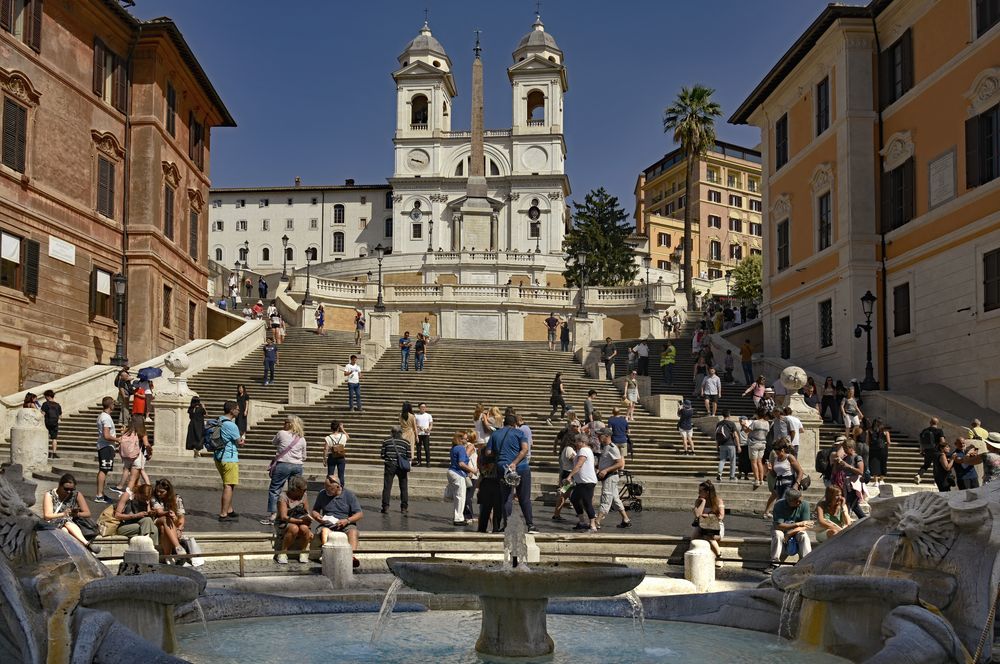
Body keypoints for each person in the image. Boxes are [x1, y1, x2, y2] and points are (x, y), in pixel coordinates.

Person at [491, 413, 536, 533]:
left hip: (503, 467)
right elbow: (525, 449)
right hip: (521, 467)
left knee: (506, 497)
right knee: (524, 498)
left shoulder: (495, 434)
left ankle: (507, 525)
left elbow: (488, 452)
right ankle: (530, 524)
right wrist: (515, 462)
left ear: (504, 423)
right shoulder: (519, 433)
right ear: (515, 424)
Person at [261, 415, 308, 526]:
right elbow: (304, 456)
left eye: (285, 422)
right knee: (296, 490)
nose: (283, 424)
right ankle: (295, 514)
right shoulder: (302, 438)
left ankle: (273, 515)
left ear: (290, 424)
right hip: (297, 466)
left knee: (275, 489)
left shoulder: (281, 433)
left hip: (283, 464)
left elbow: (274, 442)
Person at [310, 475, 363, 567]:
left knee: (353, 532)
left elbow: (359, 514)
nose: (327, 491)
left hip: (345, 523)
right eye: (326, 488)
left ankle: (351, 556)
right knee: (324, 531)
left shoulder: (349, 495)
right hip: (327, 524)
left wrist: (347, 520)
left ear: (338, 487)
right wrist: (317, 516)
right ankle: (327, 554)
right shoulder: (322, 494)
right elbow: (315, 510)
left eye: (330, 489)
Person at [42, 473, 100, 553]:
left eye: (72, 489)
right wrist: (63, 514)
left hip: (68, 524)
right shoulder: (50, 495)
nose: (69, 492)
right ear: (60, 485)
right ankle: (86, 544)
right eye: (66, 489)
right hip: (53, 522)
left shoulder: (76, 494)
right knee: (65, 521)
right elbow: (47, 516)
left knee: (65, 530)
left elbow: (87, 513)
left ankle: (74, 552)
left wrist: (76, 514)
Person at [767, 488, 813, 574]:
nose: (800, 503)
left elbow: (806, 525)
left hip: (796, 530)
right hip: (781, 529)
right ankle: (774, 563)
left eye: (801, 500)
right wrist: (797, 524)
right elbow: (778, 525)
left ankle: (806, 562)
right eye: (797, 501)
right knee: (777, 535)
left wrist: (790, 533)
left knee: (804, 536)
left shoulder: (805, 504)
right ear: (789, 501)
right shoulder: (779, 505)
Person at [595, 428, 631, 529]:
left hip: (610, 477)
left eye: (600, 435)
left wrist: (606, 470)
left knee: (606, 498)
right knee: (615, 499)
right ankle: (626, 519)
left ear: (607, 436)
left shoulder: (612, 448)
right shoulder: (605, 447)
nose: (598, 437)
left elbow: (619, 463)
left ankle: (597, 521)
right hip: (609, 477)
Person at [215, 400, 244, 522]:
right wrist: (242, 440)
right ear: (232, 410)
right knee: (229, 485)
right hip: (229, 458)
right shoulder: (232, 425)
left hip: (219, 456)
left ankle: (229, 509)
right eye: (237, 409)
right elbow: (239, 442)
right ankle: (223, 514)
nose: (239, 411)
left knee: (228, 484)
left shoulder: (219, 420)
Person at [274, 475, 313, 564]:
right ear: (295, 489)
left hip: (300, 521)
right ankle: (283, 552)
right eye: (303, 489)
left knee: (305, 529)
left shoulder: (304, 496)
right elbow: (284, 517)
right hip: (283, 522)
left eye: (306, 489)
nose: (305, 491)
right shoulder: (283, 497)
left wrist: (307, 522)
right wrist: (299, 521)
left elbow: (307, 512)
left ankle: (303, 552)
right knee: (294, 528)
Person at [763, 439, 804, 518]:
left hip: (788, 483)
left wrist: (797, 483)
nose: (777, 454)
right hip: (779, 484)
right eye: (776, 453)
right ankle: (782, 520)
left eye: (778, 452)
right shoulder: (776, 459)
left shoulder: (789, 457)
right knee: (780, 502)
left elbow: (800, 471)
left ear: (782, 450)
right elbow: (775, 475)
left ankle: (782, 520)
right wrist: (770, 470)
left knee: (783, 501)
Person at [567, 436, 598, 532]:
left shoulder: (583, 450)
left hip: (586, 481)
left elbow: (579, 464)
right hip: (582, 481)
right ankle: (582, 522)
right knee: (574, 499)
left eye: (577, 441)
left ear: (582, 442)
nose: (575, 443)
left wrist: (570, 476)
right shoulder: (586, 450)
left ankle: (593, 525)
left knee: (586, 502)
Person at [93, 397, 121, 504]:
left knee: (103, 470)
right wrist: (118, 439)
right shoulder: (106, 418)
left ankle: (101, 494)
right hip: (106, 446)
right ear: (110, 405)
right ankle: (99, 495)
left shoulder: (102, 416)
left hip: (104, 446)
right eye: (113, 404)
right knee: (103, 470)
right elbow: (106, 435)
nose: (114, 406)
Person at [113, 483, 158, 548]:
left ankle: (152, 549)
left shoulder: (146, 500)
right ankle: (146, 548)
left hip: (140, 525)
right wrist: (135, 515)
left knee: (154, 528)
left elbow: (147, 514)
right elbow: (117, 515)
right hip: (124, 526)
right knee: (149, 523)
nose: (145, 500)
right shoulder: (127, 496)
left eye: (147, 499)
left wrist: (151, 513)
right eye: (143, 498)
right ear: (138, 493)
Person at [151, 478, 186, 559]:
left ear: (168, 491)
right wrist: (168, 513)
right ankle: (178, 547)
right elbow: (159, 512)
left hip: (170, 523)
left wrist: (179, 529)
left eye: (162, 492)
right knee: (166, 519)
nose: (158, 493)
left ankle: (167, 557)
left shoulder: (177, 498)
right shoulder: (154, 497)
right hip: (157, 521)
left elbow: (182, 517)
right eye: (157, 491)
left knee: (164, 528)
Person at [692, 480, 725, 567]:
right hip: (702, 526)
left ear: (707, 492)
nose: (698, 492)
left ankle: (719, 557)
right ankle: (690, 557)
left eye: (700, 491)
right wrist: (703, 502)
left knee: (708, 536)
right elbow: (697, 515)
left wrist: (707, 515)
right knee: (694, 535)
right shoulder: (699, 501)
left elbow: (721, 516)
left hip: (716, 526)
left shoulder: (718, 501)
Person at [380, 425, 411, 514]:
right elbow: (409, 456)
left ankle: (385, 507)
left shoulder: (386, 441)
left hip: (390, 465)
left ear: (392, 432)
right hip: (402, 466)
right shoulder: (406, 442)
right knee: (403, 487)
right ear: (401, 433)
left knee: (387, 487)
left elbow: (382, 455)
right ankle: (404, 508)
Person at [448, 432, 476, 526]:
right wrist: (472, 470)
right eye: (465, 438)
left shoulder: (454, 448)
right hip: (458, 473)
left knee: (457, 496)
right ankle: (458, 518)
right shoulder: (460, 448)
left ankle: (458, 516)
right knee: (460, 496)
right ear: (460, 439)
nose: (467, 440)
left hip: (452, 472)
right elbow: (461, 463)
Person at [115, 420, 149, 493]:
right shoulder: (142, 432)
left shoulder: (128, 431)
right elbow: (146, 444)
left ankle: (123, 487)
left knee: (128, 470)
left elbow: (120, 439)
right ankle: (148, 488)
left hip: (128, 456)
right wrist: (150, 452)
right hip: (137, 456)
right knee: (136, 476)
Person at [552, 430, 579, 522]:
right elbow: (574, 460)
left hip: (568, 474)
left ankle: (557, 514)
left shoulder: (568, 448)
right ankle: (556, 514)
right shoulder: (569, 449)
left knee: (564, 494)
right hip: (569, 475)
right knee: (564, 494)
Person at [915, 417, 946, 484]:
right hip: (936, 451)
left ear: (930, 422)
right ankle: (936, 481)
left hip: (927, 451)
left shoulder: (924, 431)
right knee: (936, 466)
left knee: (926, 465)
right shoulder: (939, 431)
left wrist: (921, 450)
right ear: (937, 423)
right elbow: (942, 442)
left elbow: (921, 442)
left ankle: (919, 475)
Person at [715, 411, 741, 482]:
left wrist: (717, 446)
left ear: (723, 415)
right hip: (731, 444)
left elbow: (717, 436)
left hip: (722, 445)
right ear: (729, 415)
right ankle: (732, 476)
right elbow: (735, 435)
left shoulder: (719, 423)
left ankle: (719, 474)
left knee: (722, 460)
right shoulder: (731, 423)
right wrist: (738, 446)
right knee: (732, 461)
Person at [747, 409, 769, 488]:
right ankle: (761, 480)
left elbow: (747, 430)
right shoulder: (767, 423)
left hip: (754, 443)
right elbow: (766, 433)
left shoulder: (755, 422)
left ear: (757, 414)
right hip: (762, 443)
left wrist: (744, 425)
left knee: (754, 462)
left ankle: (756, 479)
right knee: (760, 461)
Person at [38, 389, 62, 459]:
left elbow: (42, 413)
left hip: (47, 423)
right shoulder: (58, 405)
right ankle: (54, 453)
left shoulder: (45, 404)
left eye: (45, 396)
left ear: (48, 396)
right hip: (55, 423)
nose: (45, 398)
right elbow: (60, 416)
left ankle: (46, 452)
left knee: (45, 438)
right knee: (54, 438)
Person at [324, 420, 349, 486]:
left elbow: (326, 449)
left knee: (330, 474)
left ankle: (330, 487)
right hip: (341, 456)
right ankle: (341, 488)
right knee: (341, 474)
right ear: (338, 428)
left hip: (332, 456)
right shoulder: (343, 436)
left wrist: (324, 459)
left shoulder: (328, 437)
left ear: (331, 428)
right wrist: (342, 429)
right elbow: (348, 437)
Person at [868, 419, 891, 485]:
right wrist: (886, 447)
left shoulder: (870, 431)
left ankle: (876, 481)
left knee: (874, 464)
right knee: (883, 463)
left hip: (873, 449)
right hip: (883, 449)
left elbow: (868, 441)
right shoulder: (885, 431)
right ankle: (881, 480)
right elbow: (889, 442)